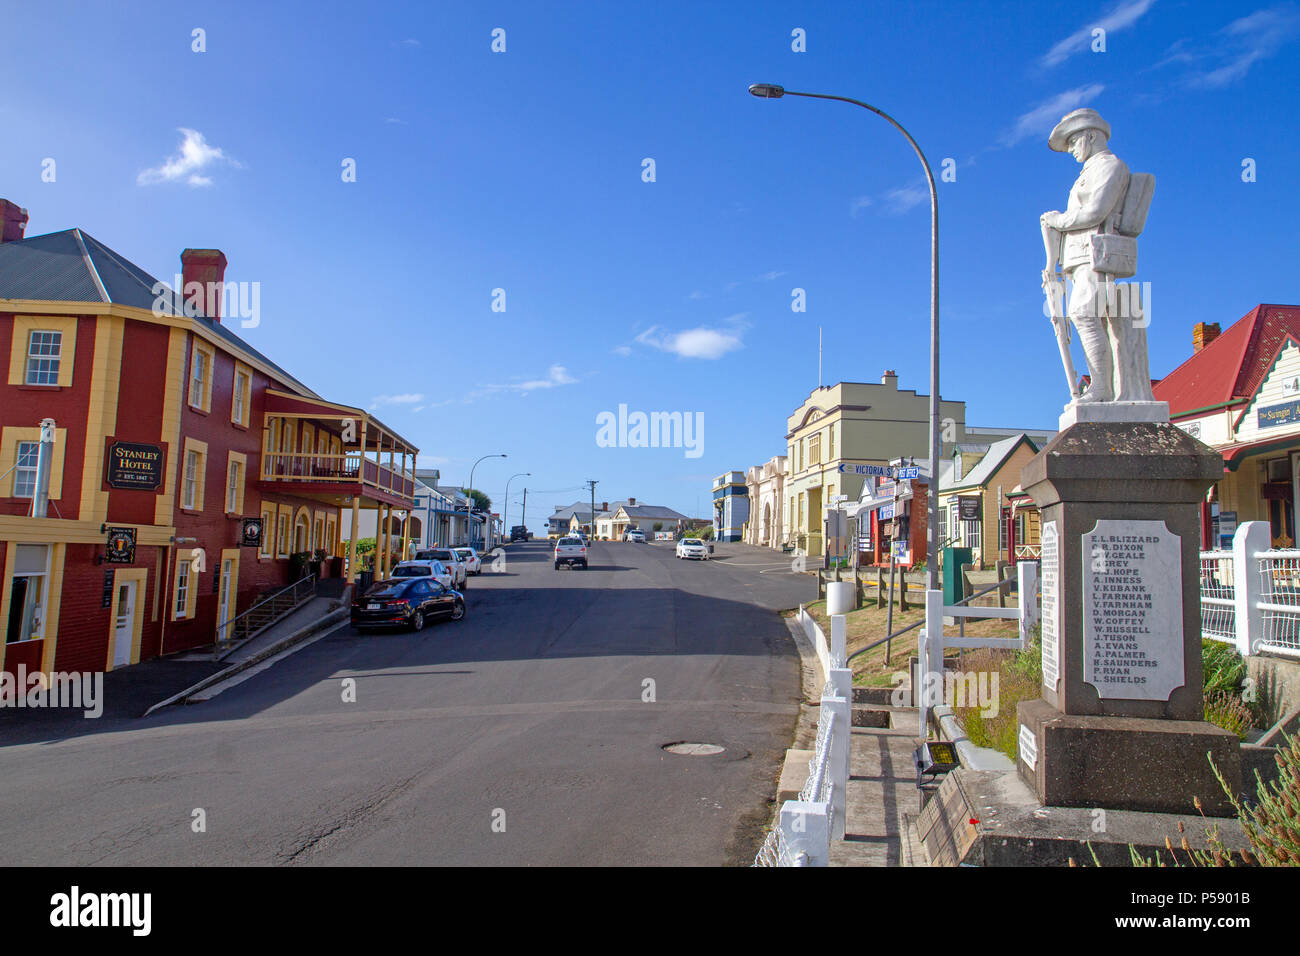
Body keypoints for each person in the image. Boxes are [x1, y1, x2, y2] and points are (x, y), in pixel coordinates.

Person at [1040, 108, 1153, 404]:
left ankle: (1102, 388)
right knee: (1089, 317)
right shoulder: (1088, 172)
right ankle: (1102, 386)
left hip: (1098, 254)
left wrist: (1058, 220)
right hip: (1078, 258)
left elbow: (1095, 212)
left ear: (1090, 136)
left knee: (1083, 313)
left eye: (1073, 142)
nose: (1071, 149)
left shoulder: (1110, 166)